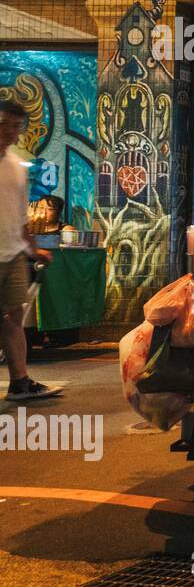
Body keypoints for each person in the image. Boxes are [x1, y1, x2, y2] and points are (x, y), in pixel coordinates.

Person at [0, 101, 60, 402]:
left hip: (12, 254)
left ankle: (19, 382)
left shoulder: (16, 166)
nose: (9, 131)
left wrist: (34, 249)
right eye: (4, 123)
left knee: (13, 317)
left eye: (15, 126)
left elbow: (21, 216)